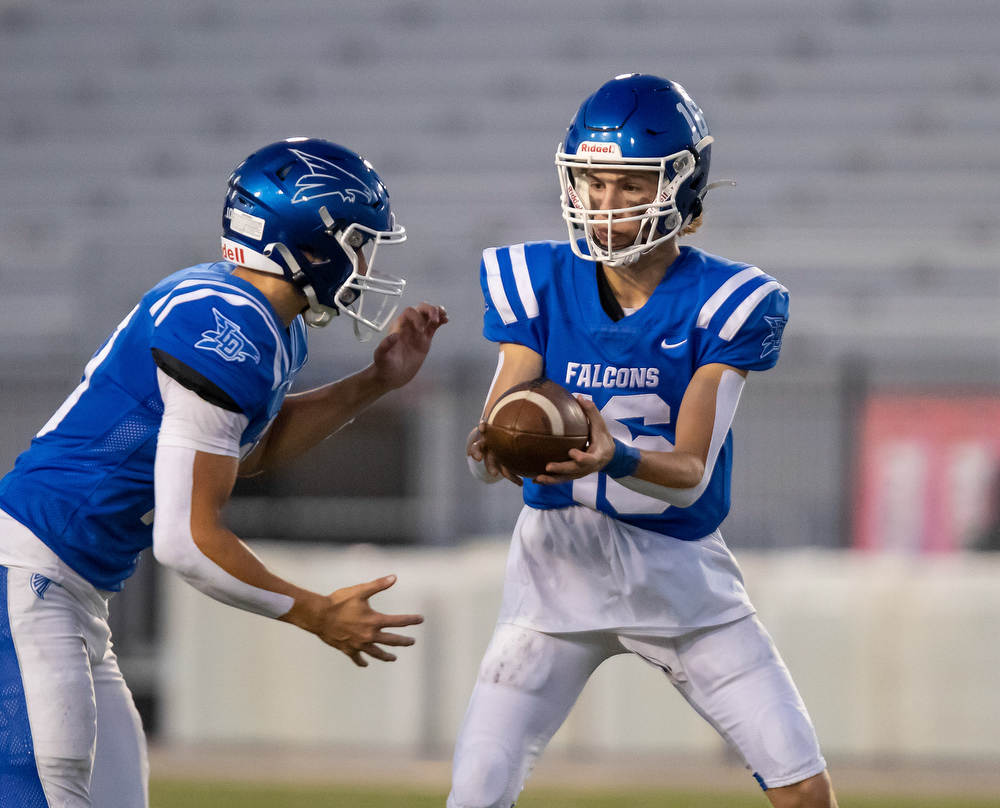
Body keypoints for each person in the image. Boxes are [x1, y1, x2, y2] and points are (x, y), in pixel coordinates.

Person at [0, 137, 448, 807]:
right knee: (48, 784)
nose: (363, 264)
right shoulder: (225, 321)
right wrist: (317, 612)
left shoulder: (259, 318)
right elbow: (185, 542)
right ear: (308, 238)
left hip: (71, 588)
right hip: (29, 575)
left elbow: (245, 452)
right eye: (356, 242)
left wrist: (373, 383)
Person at [456, 75, 837, 807]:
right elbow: (501, 430)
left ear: (679, 189)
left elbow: (690, 473)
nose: (603, 202)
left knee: (802, 790)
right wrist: (494, 448)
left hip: (676, 574)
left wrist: (618, 456)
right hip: (554, 570)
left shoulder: (729, 300)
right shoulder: (535, 279)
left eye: (628, 184)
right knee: (475, 794)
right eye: (592, 181)